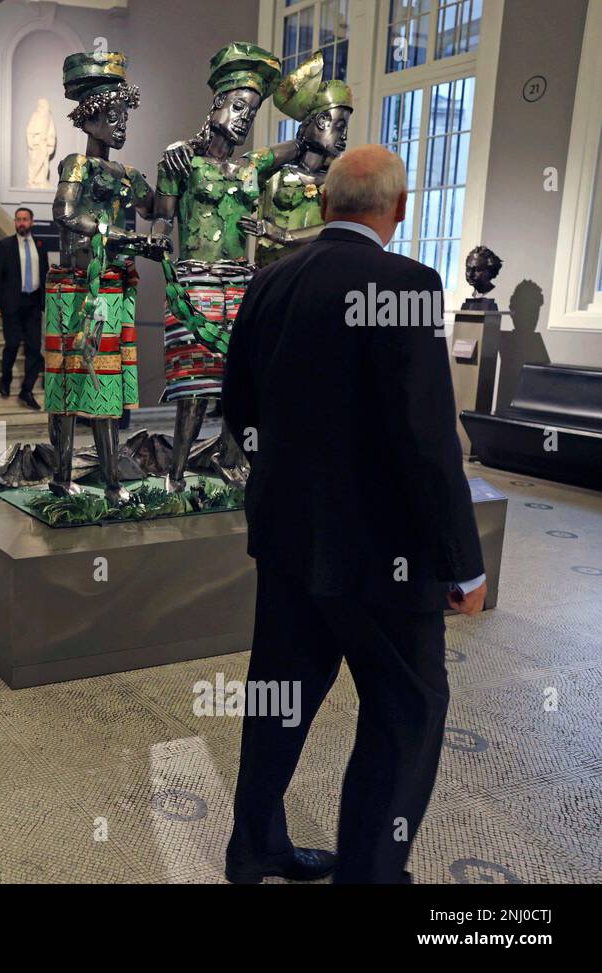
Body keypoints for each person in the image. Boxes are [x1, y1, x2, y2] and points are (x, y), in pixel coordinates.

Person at [220, 144, 487, 884]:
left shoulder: (269, 282)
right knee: (406, 710)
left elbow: (237, 408)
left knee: (279, 695)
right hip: (383, 559)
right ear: (397, 210)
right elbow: (429, 441)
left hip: (286, 542)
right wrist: (464, 560)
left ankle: (255, 845)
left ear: (325, 203)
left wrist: (284, 480)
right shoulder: (408, 283)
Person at [0, 207, 47, 410]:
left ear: (31, 222)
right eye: (18, 219)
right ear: (15, 222)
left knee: (33, 348)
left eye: (25, 219)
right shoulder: (4, 246)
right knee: (12, 344)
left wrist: (46, 303)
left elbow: (45, 274)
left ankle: (27, 390)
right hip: (12, 304)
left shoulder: (40, 245)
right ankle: (5, 379)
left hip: (33, 305)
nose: (21, 223)